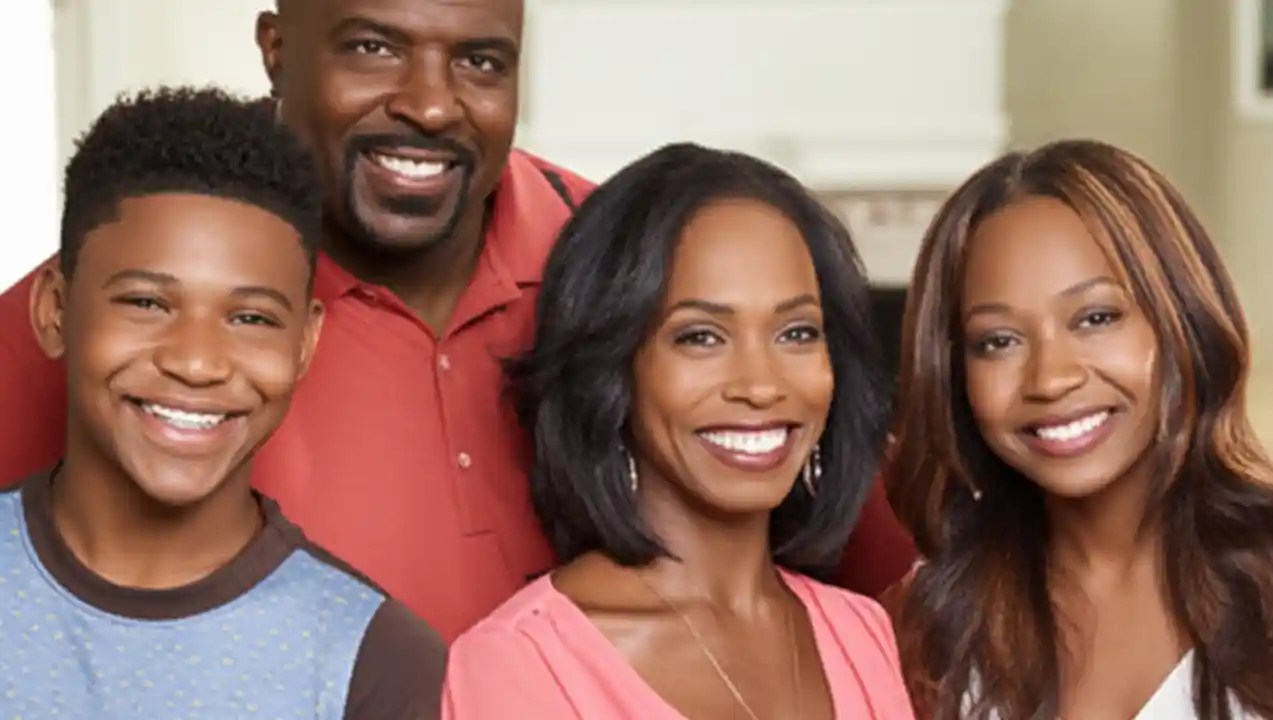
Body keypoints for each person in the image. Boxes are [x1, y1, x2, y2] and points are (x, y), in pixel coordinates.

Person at [0, 0, 916, 640]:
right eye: (371, 48)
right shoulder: (135, 309)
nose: (431, 105)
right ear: (277, 48)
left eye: (481, 61)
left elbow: (873, 553)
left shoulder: (634, 261)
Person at [0, 87, 445, 719]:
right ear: (54, 311)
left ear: (304, 345)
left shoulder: (376, 663)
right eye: (147, 303)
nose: (198, 362)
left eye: (251, 317)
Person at [443, 144, 915, 719]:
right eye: (701, 337)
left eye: (795, 333)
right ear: (610, 369)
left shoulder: (863, 634)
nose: (761, 386)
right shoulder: (521, 664)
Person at [885, 139, 1273, 719]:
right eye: (998, 341)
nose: (1050, 378)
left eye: (1096, 318)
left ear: (1182, 321)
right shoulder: (927, 623)